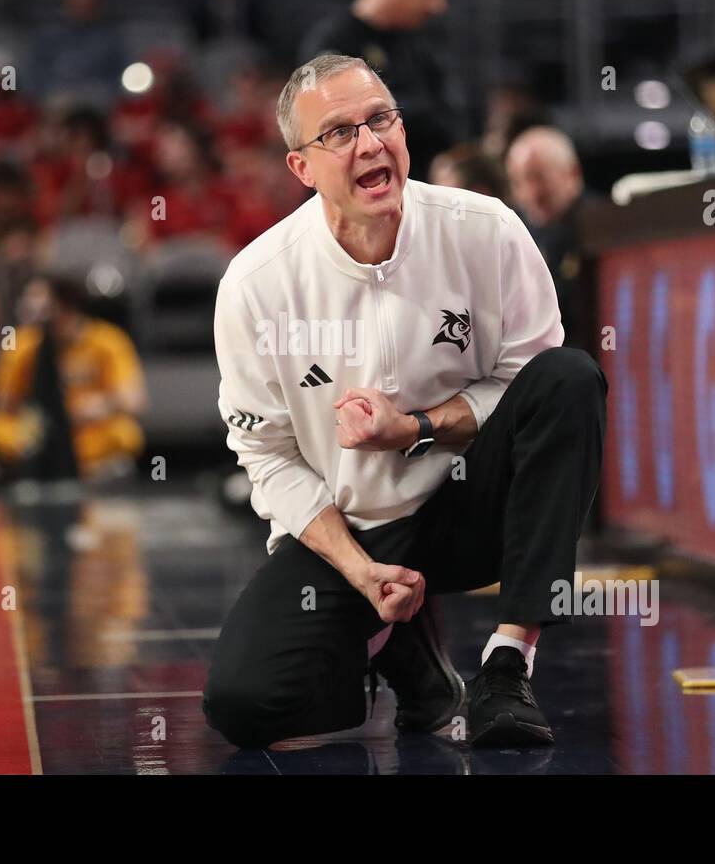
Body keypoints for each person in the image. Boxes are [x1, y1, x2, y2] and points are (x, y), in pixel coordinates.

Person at [203, 53, 607, 750]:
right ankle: (406, 658)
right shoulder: (257, 283)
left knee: (570, 378)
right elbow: (266, 457)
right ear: (301, 168)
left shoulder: (488, 229)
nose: (369, 143)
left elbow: (531, 381)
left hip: (473, 503)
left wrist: (415, 429)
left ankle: (508, 665)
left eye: (380, 118)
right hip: (358, 525)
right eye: (338, 133)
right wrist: (360, 573)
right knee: (247, 706)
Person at [300, 0, 459, 179]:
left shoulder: (421, 45)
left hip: (418, 197)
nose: (437, 6)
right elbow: (337, 123)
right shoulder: (333, 42)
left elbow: (449, 122)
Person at [0, 275, 146, 479]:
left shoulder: (108, 340)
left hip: (88, 437)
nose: (32, 309)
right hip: (37, 436)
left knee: (124, 432)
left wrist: (101, 405)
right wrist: (30, 415)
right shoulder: (20, 343)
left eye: (42, 302)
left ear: (67, 306)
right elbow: (0, 403)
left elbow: (134, 400)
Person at [504, 126, 593, 353]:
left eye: (539, 178)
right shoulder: (516, 232)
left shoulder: (604, 228)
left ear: (573, 173)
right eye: (519, 182)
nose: (531, 193)